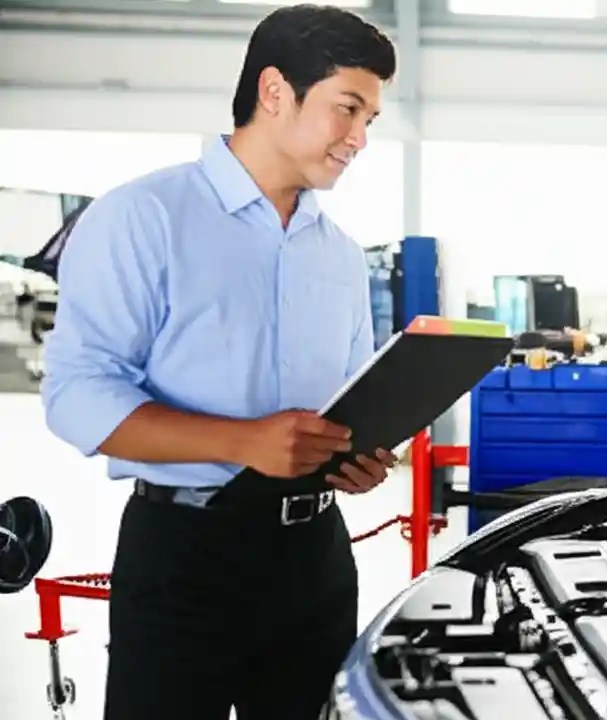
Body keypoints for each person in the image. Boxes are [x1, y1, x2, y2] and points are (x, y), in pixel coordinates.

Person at [40, 6, 397, 718]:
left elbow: (350, 399)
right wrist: (245, 443)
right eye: (347, 109)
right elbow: (76, 395)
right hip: (185, 557)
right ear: (274, 92)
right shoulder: (144, 218)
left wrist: (356, 457)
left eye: (370, 121)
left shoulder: (339, 254)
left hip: (317, 560)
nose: (359, 138)